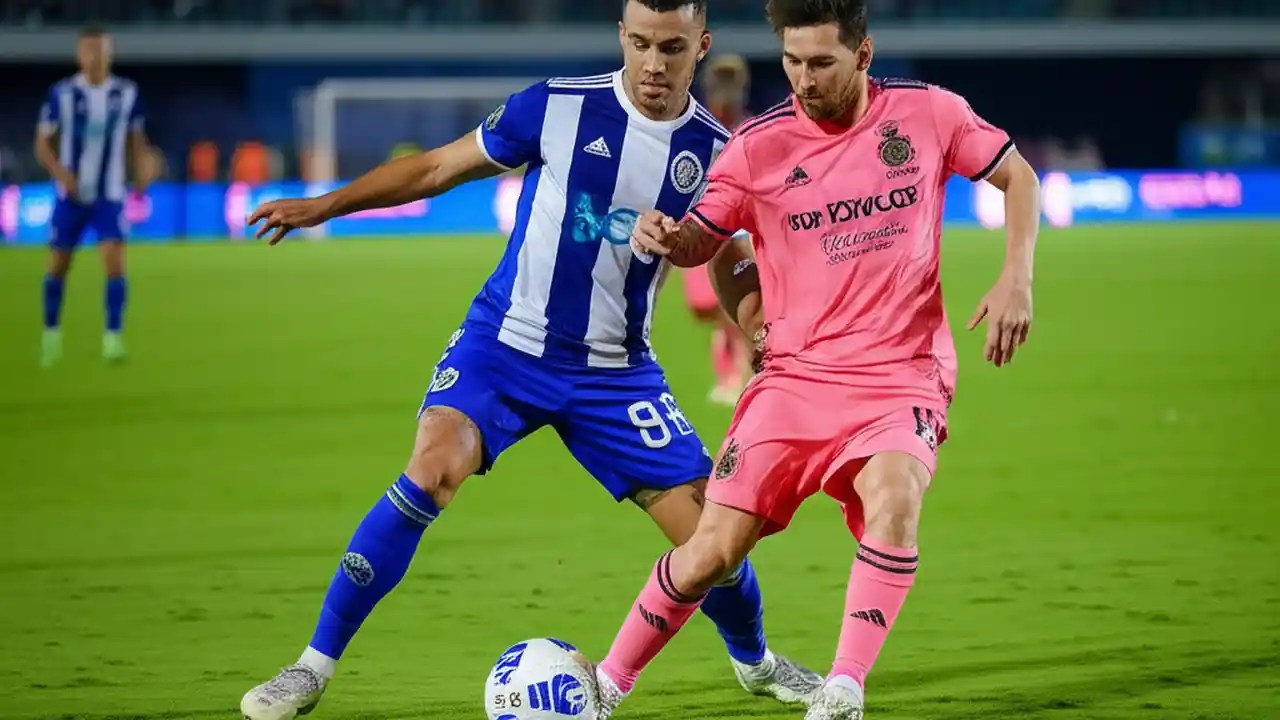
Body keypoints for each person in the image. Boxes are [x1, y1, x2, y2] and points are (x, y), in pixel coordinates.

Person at [238, 2, 822, 718]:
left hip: (616, 370)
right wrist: (325, 205)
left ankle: (756, 663)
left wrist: (758, 318)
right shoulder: (555, 107)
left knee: (714, 539)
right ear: (621, 38)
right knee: (432, 466)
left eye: (671, 47)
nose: (653, 64)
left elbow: (731, 261)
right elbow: (435, 169)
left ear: (700, 46)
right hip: (506, 344)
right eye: (639, 44)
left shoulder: (714, 152)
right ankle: (309, 668)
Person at [592, 1, 1042, 718]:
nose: (802, 79)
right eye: (792, 62)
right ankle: (607, 684)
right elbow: (703, 242)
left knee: (895, 502)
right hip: (795, 380)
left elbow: (1018, 177)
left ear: (863, 56)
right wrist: (666, 237)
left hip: (901, 375)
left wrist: (1016, 277)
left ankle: (843, 689)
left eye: (821, 63)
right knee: (713, 551)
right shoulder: (758, 149)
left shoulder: (929, 115)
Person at [35, 25, 152, 367]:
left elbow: (136, 141)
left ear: (109, 53)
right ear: (79, 54)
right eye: (88, 50)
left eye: (100, 50)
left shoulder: (127, 93)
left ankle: (113, 338)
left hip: (110, 195)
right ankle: (51, 335)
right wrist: (61, 175)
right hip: (70, 196)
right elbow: (43, 143)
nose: (95, 56)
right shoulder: (62, 94)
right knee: (57, 267)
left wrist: (142, 170)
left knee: (115, 265)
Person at [683, 53, 756, 405]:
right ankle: (733, 376)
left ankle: (740, 379)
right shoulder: (697, 133)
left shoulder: (753, 130)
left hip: (743, 233)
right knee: (711, 310)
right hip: (706, 229)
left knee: (739, 312)